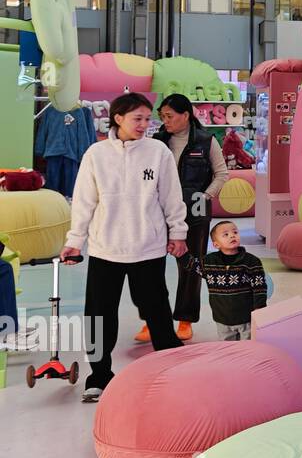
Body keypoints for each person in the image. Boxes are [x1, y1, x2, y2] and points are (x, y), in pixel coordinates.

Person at [61, 92, 187, 402]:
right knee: (99, 315)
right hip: (107, 248)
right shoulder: (96, 154)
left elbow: (171, 196)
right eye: (138, 119)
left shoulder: (158, 152)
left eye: (148, 119)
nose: (145, 125)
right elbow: (84, 202)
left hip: (149, 246)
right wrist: (74, 242)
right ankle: (99, 375)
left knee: (157, 310)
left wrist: (178, 232)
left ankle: (170, 365)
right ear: (118, 119)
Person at [140, 94, 228, 343]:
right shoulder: (156, 142)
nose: (164, 121)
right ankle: (151, 320)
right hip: (158, 212)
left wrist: (205, 196)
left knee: (190, 266)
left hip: (195, 212)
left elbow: (222, 174)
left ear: (185, 115)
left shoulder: (206, 141)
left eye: (169, 116)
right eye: (162, 116)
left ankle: (185, 320)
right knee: (148, 267)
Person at [201, 221, 268, 341]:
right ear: (216, 244)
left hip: (246, 317)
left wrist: (259, 308)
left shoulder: (252, 262)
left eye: (235, 232)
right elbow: (192, 265)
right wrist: (180, 254)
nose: (232, 236)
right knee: (228, 350)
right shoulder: (209, 262)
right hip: (222, 318)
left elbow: (260, 287)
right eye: (225, 234)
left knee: (249, 349)